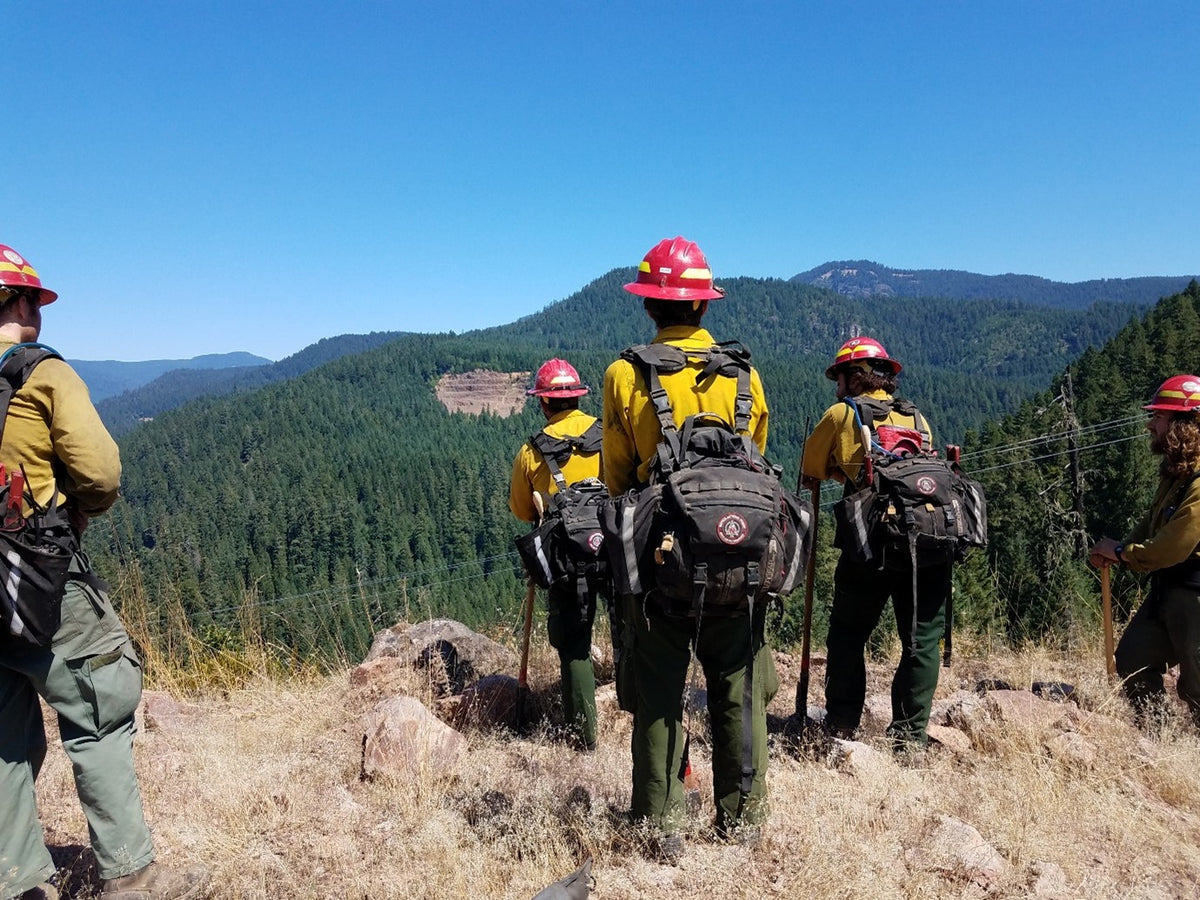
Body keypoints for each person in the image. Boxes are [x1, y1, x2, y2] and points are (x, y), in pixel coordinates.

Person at [0, 244, 209, 900]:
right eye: (33, 299)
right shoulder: (42, 375)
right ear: (22, 303)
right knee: (101, 703)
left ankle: (17, 881)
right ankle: (132, 876)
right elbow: (101, 471)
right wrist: (77, 515)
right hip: (39, 578)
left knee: (4, 736)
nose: (37, 311)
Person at [602, 236, 775, 858]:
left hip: (663, 559)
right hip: (740, 556)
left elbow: (619, 476)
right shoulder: (745, 374)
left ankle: (660, 827)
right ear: (704, 304)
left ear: (649, 305)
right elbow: (756, 460)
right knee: (739, 687)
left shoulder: (626, 375)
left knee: (658, 691)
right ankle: (743, 822)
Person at [801, 336, 952, 752]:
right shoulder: (916, 417)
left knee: (848, 634)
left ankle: (843, 722)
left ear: (854, 377)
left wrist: (841, 472)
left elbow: (810, 468)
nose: (836, 386)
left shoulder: (842, 414)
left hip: (872, 541)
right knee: (921, 641)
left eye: (839, 377)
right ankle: (910, 737)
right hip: (928, 539)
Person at [1089, 374, 1200, 730]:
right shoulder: (1177, 472)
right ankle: (1157, 737)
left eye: (1159, 416)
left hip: (1195, 594)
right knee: (1134, 659)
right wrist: (1118, 549)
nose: (1151, 424)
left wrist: (1123, 552)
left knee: (1197, 687)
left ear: (1184, 424)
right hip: (1169, 589)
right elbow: (1153, 524)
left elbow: (1173, 546)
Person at [509, 358, 603, 751]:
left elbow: (522, 510)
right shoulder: (607, 434)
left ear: (544, 403)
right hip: (617, 545)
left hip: (568, 558)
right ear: (578, 398)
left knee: (574, 643)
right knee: (634, 629)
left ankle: (583, 736)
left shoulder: (532, 451)